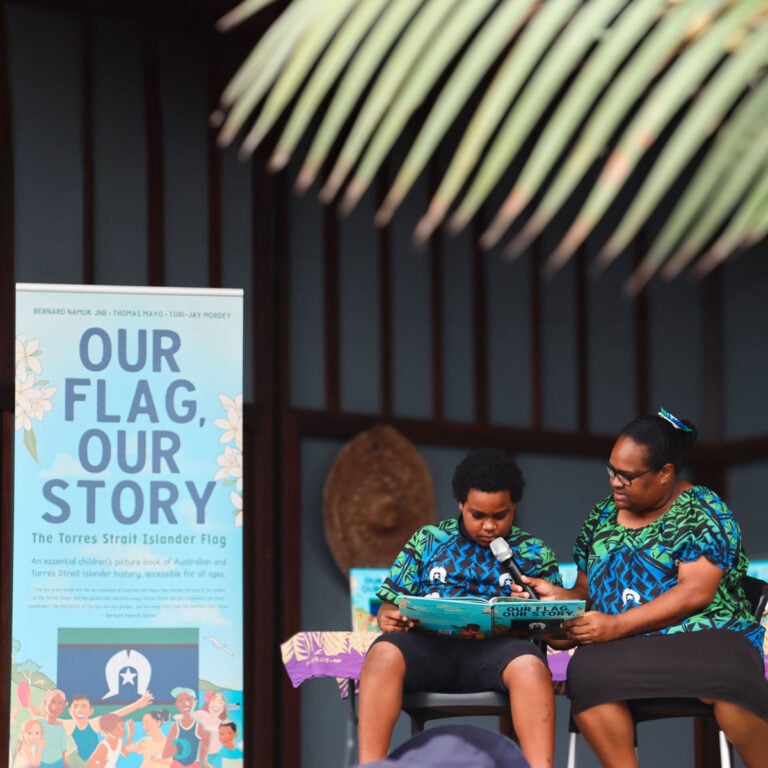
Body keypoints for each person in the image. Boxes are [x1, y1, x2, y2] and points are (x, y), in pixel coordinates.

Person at [519, 408, 768, 768]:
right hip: (622, 649)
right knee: (586, 673)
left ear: (666, 472)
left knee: (730, 671)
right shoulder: (601, 516)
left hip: (705, 639)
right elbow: (586, 591)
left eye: (628, 476)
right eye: (611, 470)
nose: (615, 482)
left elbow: (694, 593)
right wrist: (556, 599)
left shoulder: (702, 510)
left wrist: (616, 625)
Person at [356, 448, 562, 768]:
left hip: (498, 655)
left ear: (514, 507)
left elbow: (557, 631)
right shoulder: (429, 540)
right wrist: (389, 617)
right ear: (461, 504)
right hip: (428, 650)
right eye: (477, 515)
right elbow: (388, 605)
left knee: (531, 668)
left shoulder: (534, 552)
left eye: (500, 515)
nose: (489, 526)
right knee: (383, 653)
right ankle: (370, 766)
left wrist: (532, 611)